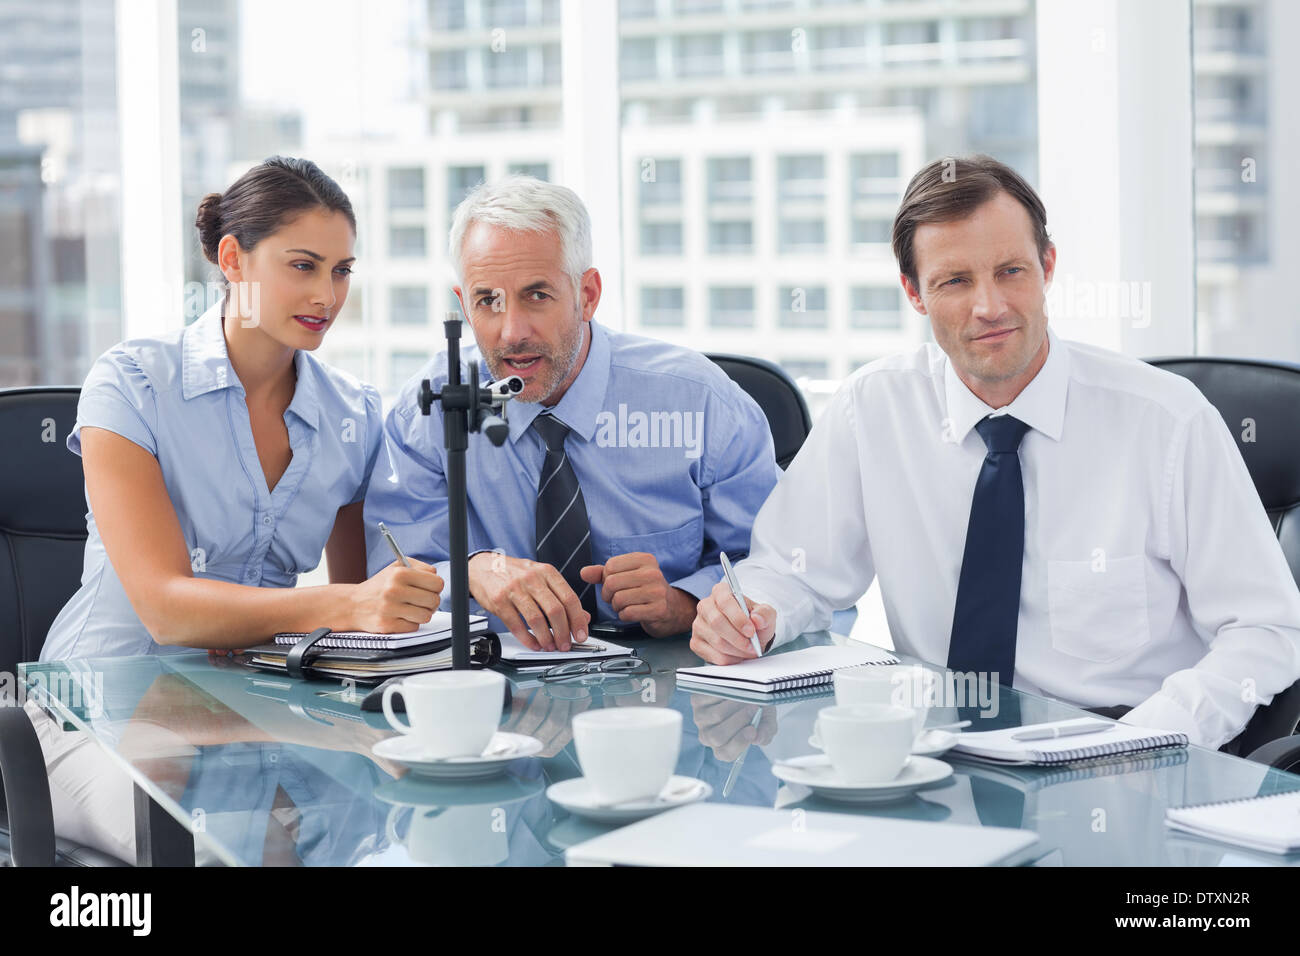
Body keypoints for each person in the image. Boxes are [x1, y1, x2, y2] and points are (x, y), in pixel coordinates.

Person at [690, 154, 1300, 749]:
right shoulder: (872, 408)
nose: (990, 307)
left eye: (1011, 270)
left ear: (1048, 265)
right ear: (914, 292)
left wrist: (1146, 739)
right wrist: (754, 614)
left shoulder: (1168, 422)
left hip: (1125, 749)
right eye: (955, 281)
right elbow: (792, 570)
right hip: (937, 754)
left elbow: (1268, 629)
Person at [28, 156, 443, 861]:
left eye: (342, 270)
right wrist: (348, 605)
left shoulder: (354, 416)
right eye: (303, 265)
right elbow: (168, 609)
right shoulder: (131, 386)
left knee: (381, 811)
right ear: (233, 258)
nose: (327, 294)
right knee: (187, 834)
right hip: (95, 708)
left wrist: (394, 607)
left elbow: (359, 620)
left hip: (247, 711)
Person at [365, 175, 780, 650]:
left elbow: (779, 564)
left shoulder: (702, 402)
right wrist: (471, 570)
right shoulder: (431, 410)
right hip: (495, 695)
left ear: (587, 294)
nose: (510, 332)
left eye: (537, 295)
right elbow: (390, 576)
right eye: (488, 302)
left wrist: (683, 603)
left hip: (670, 695)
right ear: (463, 305)